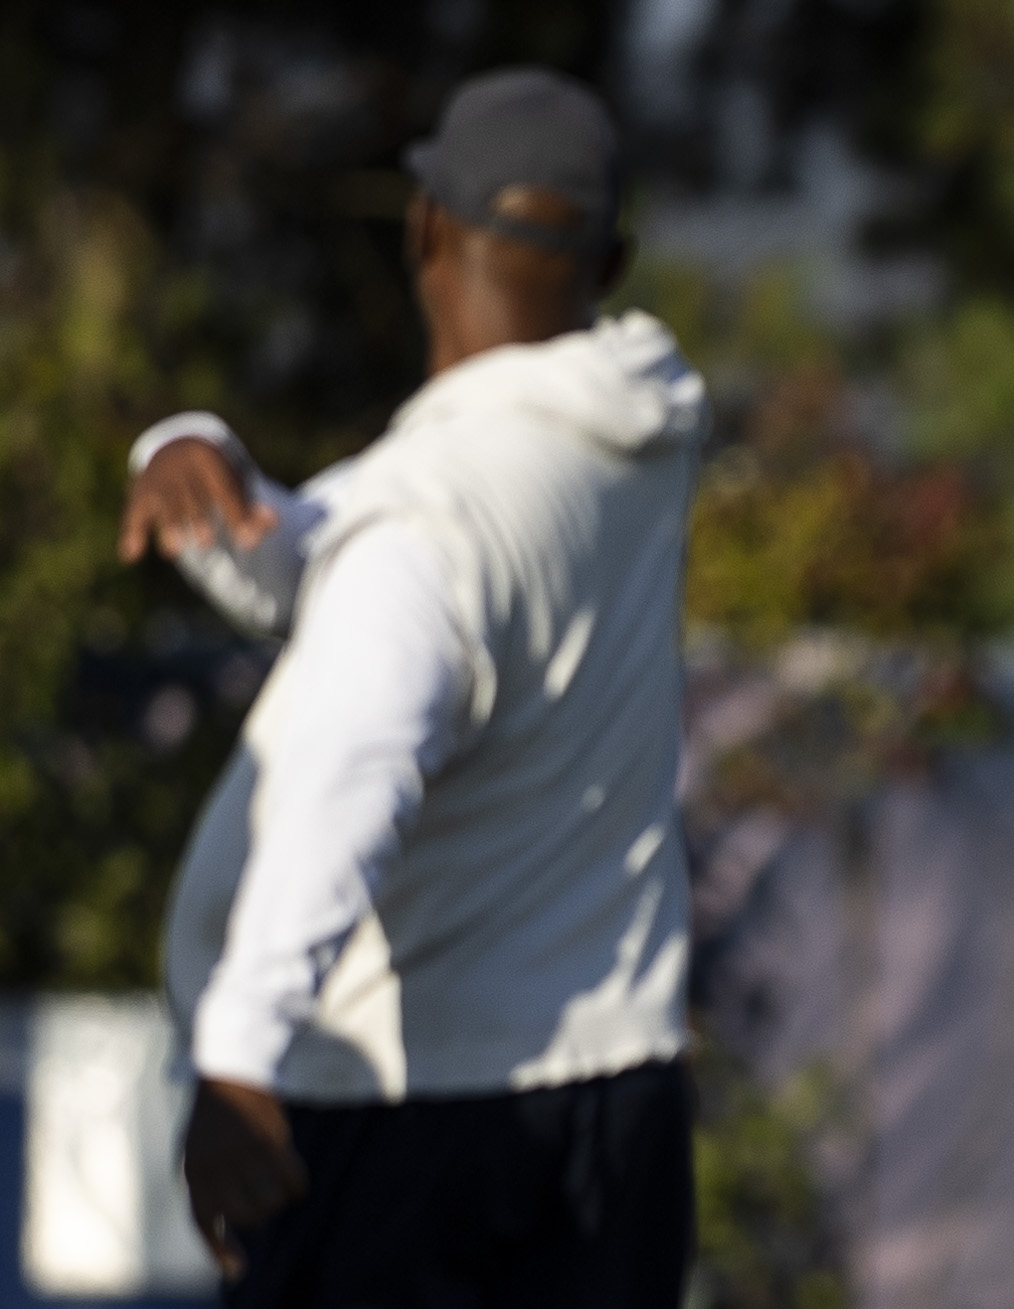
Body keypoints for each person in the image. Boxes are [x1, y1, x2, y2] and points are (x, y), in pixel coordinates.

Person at [119, 67, 708, 1308]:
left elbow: (352, 767)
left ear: (425, 228)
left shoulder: (421, 529)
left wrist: (238, 1059)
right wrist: (208, 468)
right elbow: (356, 572)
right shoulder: (640, 433)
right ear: (611, 270)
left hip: (412, 1128)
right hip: (620, 1107)